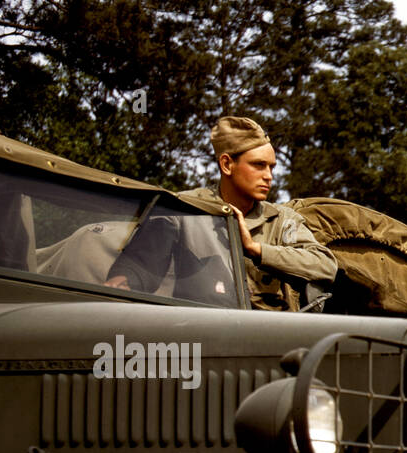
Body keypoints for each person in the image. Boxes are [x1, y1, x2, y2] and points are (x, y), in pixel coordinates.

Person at [109, 116, 336, 311]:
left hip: (268, 337)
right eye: (258, 165)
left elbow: (325, 265)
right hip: (203, 332)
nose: (269, 176)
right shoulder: (183, 211)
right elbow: (137, 269)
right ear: (227, 164)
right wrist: (123, 283)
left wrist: (256, 250)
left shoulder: (281, 220)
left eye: (271, 167)